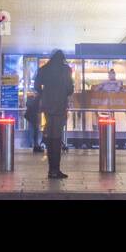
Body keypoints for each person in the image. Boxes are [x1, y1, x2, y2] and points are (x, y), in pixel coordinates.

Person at [36, 50, 75, 180]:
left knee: (50, 135)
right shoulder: (65, 70)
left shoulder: (44, 69)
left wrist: (44, 94)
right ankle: (55, 170)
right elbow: (70, 89)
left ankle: (50, 170)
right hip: (59, 106)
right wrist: (62, 93)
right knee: (57, 137)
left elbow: (36, 86)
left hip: (47, 106)